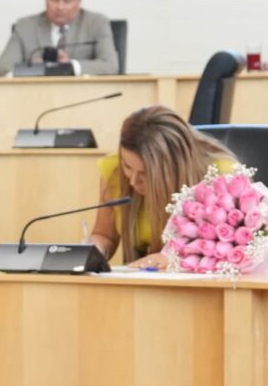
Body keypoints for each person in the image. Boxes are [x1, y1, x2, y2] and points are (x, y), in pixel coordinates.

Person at [87, 105, 241, 266]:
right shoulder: (114, 169)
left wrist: (173, 259)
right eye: (127, 166)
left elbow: (234, 249)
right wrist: (94, 249)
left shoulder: (222, 175)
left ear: (175, 166)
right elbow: (105, 235)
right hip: (139, 280)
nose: (132, 181)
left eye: (145, 173)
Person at [0, 0, 120, 76]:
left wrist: (70, 67)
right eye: (55, 0)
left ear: (79, 0)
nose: (60, 7)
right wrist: (31, 68)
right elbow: (0, 69)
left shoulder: (96, 23)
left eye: (67, 1)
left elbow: (110, 66)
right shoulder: (25, 27)